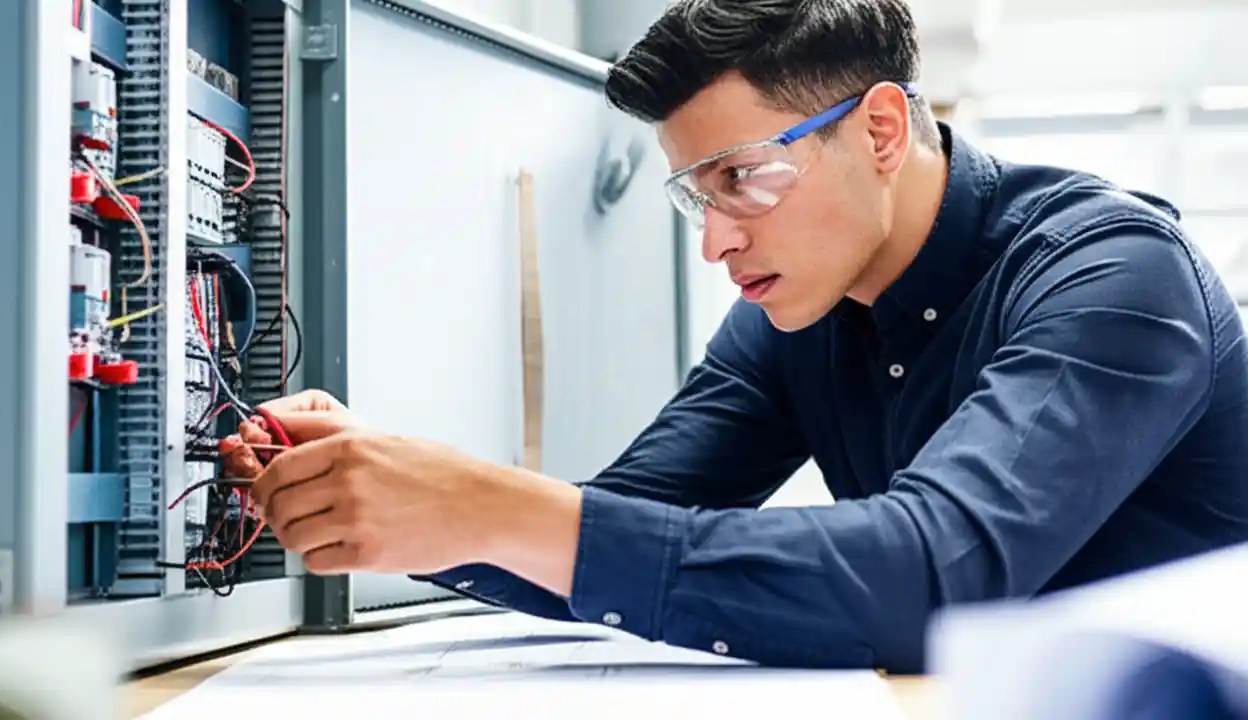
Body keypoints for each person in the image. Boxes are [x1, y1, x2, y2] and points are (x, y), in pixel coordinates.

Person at [221, 0, 1248, 673]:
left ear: (880, 131)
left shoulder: (1110, 273)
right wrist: (389, 496)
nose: (715, 239)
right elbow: (618, 528)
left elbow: (930, 575)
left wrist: (491, 508)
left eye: (742, 178)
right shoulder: (798, 310)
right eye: (692, 193)